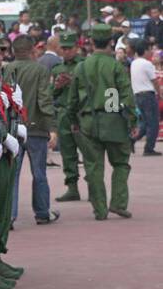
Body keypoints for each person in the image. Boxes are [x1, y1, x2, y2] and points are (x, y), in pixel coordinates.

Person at [69, 23, 138, 220]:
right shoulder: (116, 66)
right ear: (110, 42)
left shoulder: (81, 66)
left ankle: (99, 210)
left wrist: (73, 120)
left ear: (91, 42)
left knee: (93, 166)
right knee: (121, 164)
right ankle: (118, 203)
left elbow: (72, 99)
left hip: (88, 122)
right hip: (113, 119)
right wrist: (133, 121)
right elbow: (127, 97)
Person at [4, 35, 59, 224]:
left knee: (13, 174)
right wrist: (52, 126)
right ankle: (42, 212)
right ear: (32, 50)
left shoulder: (7, 69)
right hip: (36, 128)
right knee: (39, 173)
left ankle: (10, 215)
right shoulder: (40, 70)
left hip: (13, 129)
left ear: (14, 51)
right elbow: (44, 99)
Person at [52, 31, 85, 201]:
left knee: (89, 152)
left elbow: (91, 89)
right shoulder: (57, 68)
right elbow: (51, 94)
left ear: (76, 48)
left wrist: (74, 82)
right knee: (67, 152)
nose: (66, 51)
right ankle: (72, 187)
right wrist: (57, 86)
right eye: (63, 48)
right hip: (64, 114)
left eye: (69, 48)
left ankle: (94, 187)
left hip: (82, 113)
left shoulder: (84, 66)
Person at [128, 39, 159, 156]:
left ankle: (132, 139)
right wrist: (160, 93)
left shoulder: (133, 63)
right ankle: (149, 148)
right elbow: (154, 81)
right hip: (148, 95)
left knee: (145, 122)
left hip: (138, 95)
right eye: (150, 49)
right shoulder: (147, 64)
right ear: (145, 50)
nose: (151, 52)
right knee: (153, 122)